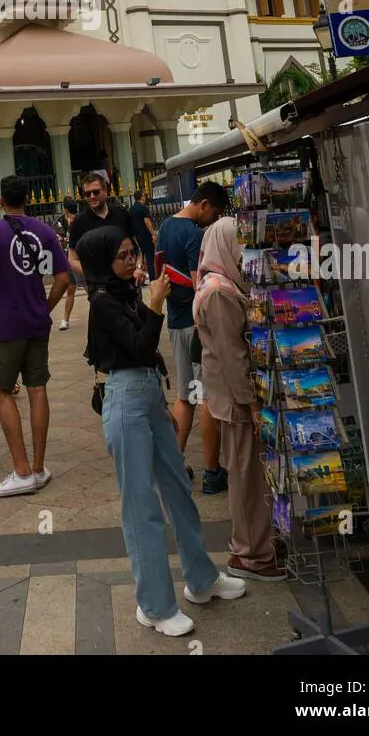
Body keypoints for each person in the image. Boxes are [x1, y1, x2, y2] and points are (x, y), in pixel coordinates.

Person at [81, 227, 246, 635]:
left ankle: (202, 578)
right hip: (123, 397)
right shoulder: (102, 302)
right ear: (103, 262)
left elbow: (146, 353)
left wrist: (160, 405)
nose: (132, 261)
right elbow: (138, 346)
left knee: (177, 488)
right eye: (123, 256)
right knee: (142, 507)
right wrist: (155, 304)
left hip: (147, 394)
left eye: (132, 252)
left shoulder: (122, 294)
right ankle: (154, 606)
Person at [194, 216, 286, 582]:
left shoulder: (221, 283)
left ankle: (255, 545)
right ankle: (250, 555)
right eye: (240, 244)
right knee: (246, 479)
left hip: (231, 397)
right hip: (234, 400)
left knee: (249, 475)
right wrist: (252, 404)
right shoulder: (219, 292)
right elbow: (232, 357)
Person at [0, 175, 70, 497]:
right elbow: (63, 278)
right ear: (28, 199)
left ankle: (21, 470)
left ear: (0, 201)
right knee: (37, 389)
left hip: (5, 325)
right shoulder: (44, 231)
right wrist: (46, 307)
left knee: (1, 391)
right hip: (36, 324)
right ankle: (39, 468)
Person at [155, 182, 230, 493]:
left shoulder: (164, 228)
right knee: (207, 399)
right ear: (204, 204)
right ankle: (212, 472)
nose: (213, 219)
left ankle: (175, 463)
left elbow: (158, 273)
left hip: (175, 322)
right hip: (196, 326)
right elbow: (201, 285)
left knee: (185, 396)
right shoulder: (193, 234)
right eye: (215, 212)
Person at [67, 172, 141, 292]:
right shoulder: (79, 222)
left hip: (128, 284)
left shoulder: (121, 213)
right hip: (100, 290)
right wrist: (92, 274)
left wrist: (137, 267)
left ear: (105, 191)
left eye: (95, 192)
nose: (91, 196)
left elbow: (136, 247)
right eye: (87, 193)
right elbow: (72, 258)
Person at [54, 197, 84, 331]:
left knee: (89, 287)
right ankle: (65, 319)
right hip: (67, 259)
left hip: (78, 259)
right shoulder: (60, 221)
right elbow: (58, 237)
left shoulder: (80, 221)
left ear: (65, 209)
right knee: (70, 289)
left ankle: (101, 314)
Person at [129, 189, 157, 282]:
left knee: (139, 258)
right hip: (145, 236)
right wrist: (153, 234)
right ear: (141, 197)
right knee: (149, 258)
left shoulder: (131, 209)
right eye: (144, 196)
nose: (145, 198)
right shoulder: (143, 208)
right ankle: (152, 277)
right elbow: (147, 221)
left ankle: (140, 278)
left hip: (136, 237)